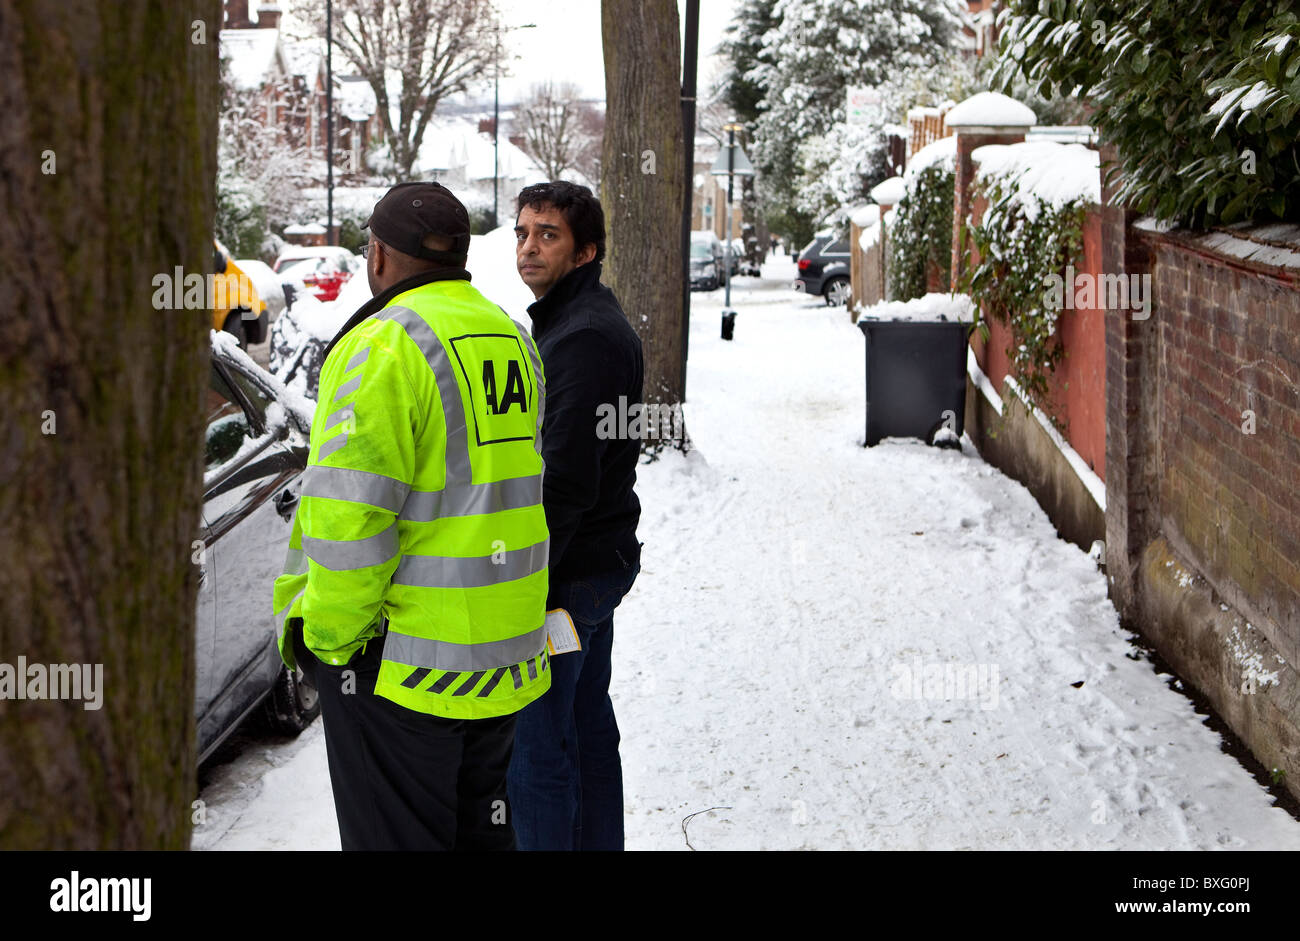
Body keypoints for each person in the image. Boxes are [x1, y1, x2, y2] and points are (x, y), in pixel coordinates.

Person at [271, 181, 551, 851]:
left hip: (402, 671)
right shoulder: (510, 335)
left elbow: (348, 520)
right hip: (500, 656)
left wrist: (330, 643)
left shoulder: (385, 345)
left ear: (377, 257)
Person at [506, 180, 643, 851]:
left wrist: (525, 578)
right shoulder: (574, 321)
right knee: (586, 726)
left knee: (536, 747)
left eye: (548, 235)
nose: (529, 248)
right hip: (596, 567)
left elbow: (565, 481)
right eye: (523, 233)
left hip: (568, 581)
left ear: (585, 251)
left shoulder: (581, 338)